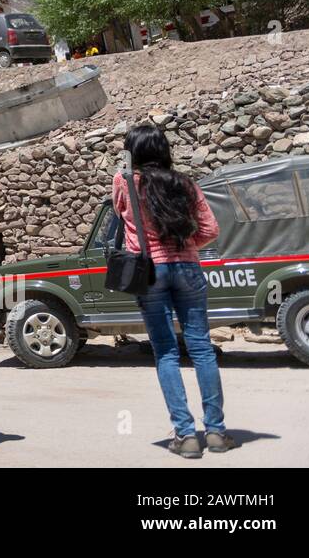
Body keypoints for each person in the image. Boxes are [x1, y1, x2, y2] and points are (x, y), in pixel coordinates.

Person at [114, 124, 234, 459]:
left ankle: (185, 435)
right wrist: (185, 244)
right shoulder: (185, 184)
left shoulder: (124, 183)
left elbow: (118, 213)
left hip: (150, 271)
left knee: (165, 352)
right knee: (202, 349)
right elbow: (210, 228)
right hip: (187, 268)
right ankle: (216, 432)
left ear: (132, 152)